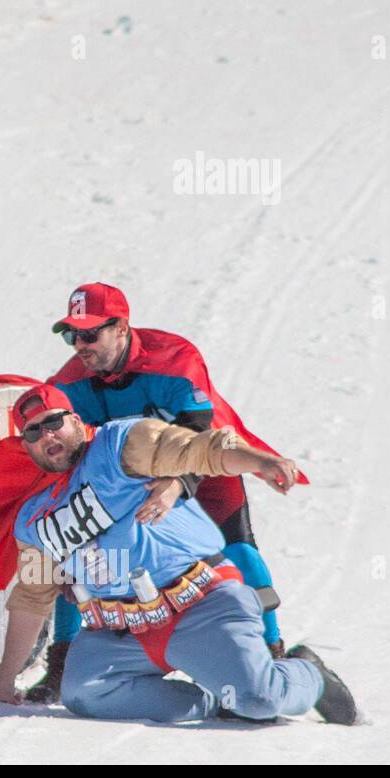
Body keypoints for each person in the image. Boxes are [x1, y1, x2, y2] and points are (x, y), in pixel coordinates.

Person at [0, 384, 356, 725]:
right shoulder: (31, 518)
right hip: (120, 632)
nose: (47, 436)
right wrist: (5, 684)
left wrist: (258, 461)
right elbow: (32, 597)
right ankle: (215, 700)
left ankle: (307, 674)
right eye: (33, 432)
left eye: (53, 422)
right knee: (84, 694)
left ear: (74, 420)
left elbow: (200, 448)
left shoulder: (119, 444)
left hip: (199, 605)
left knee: (258, 701)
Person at [25, 282, 292, 704]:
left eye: (91, 333)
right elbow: (46, 439)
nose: (80, 345)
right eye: (72, 335)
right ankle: (61, 662)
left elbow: (199, 435)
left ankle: (274, 652)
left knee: (237, 547)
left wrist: (178, 484)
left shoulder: (174, 356)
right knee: (78, 551)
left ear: (122, 328)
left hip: (198, 456)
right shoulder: (68, 382)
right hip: (130, 473)